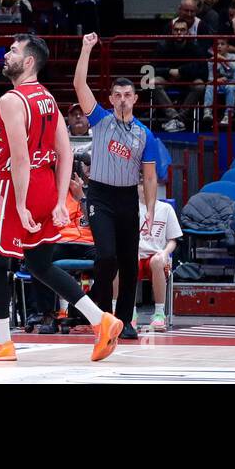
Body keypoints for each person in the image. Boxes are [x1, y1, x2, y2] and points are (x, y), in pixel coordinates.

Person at [0, 33, 123, 363]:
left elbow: (21, 158)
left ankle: (1, 342)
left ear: (27, 62)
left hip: (16, 187)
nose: (5, 55)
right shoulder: (48, 99)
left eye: (12, 50)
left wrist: (21, 203)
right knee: (39, 264)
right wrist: (55, 200)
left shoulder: (12, 99)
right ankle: (101, 319)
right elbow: (66, 153)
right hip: (45, 186)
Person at [72, 32, 167, 339]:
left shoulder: (144, 135)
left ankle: (124, 321)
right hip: (100, 194)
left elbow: (150, 177)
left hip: (128, 197)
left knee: (128, 263)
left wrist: (150, 210)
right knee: (106, 257)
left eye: (128, 95)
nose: (123, 99)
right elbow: (79, 86)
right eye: (118, 95)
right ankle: (99, 312)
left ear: (135, 99)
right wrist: (86, 49)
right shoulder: (99, 119)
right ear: (111, 98)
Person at [136, 184, 181, 332]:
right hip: (136, 255)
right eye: (141, 184)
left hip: (157, 256)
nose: (145, 188)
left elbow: (173, 239)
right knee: (126, 261)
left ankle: (159, 313)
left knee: (157, 261)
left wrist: (165, 252)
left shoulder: (165, 209)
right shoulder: (130, 208)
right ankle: (129, 312)